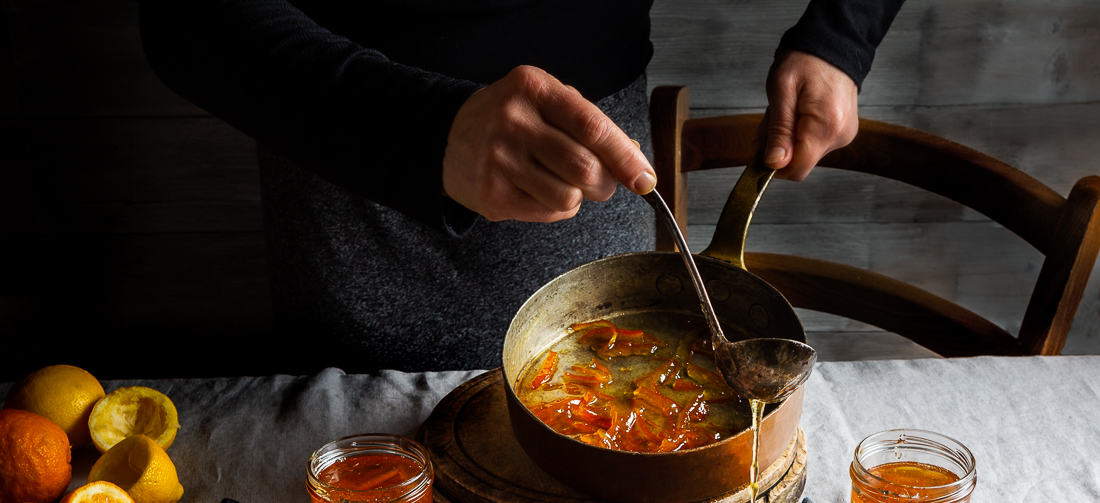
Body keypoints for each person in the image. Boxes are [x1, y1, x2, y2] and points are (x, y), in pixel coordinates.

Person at [140, 1, 906, 372]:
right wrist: (426, 132)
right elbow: (182, 17)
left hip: (590, 153)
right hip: (349, 147)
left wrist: (841, 33)